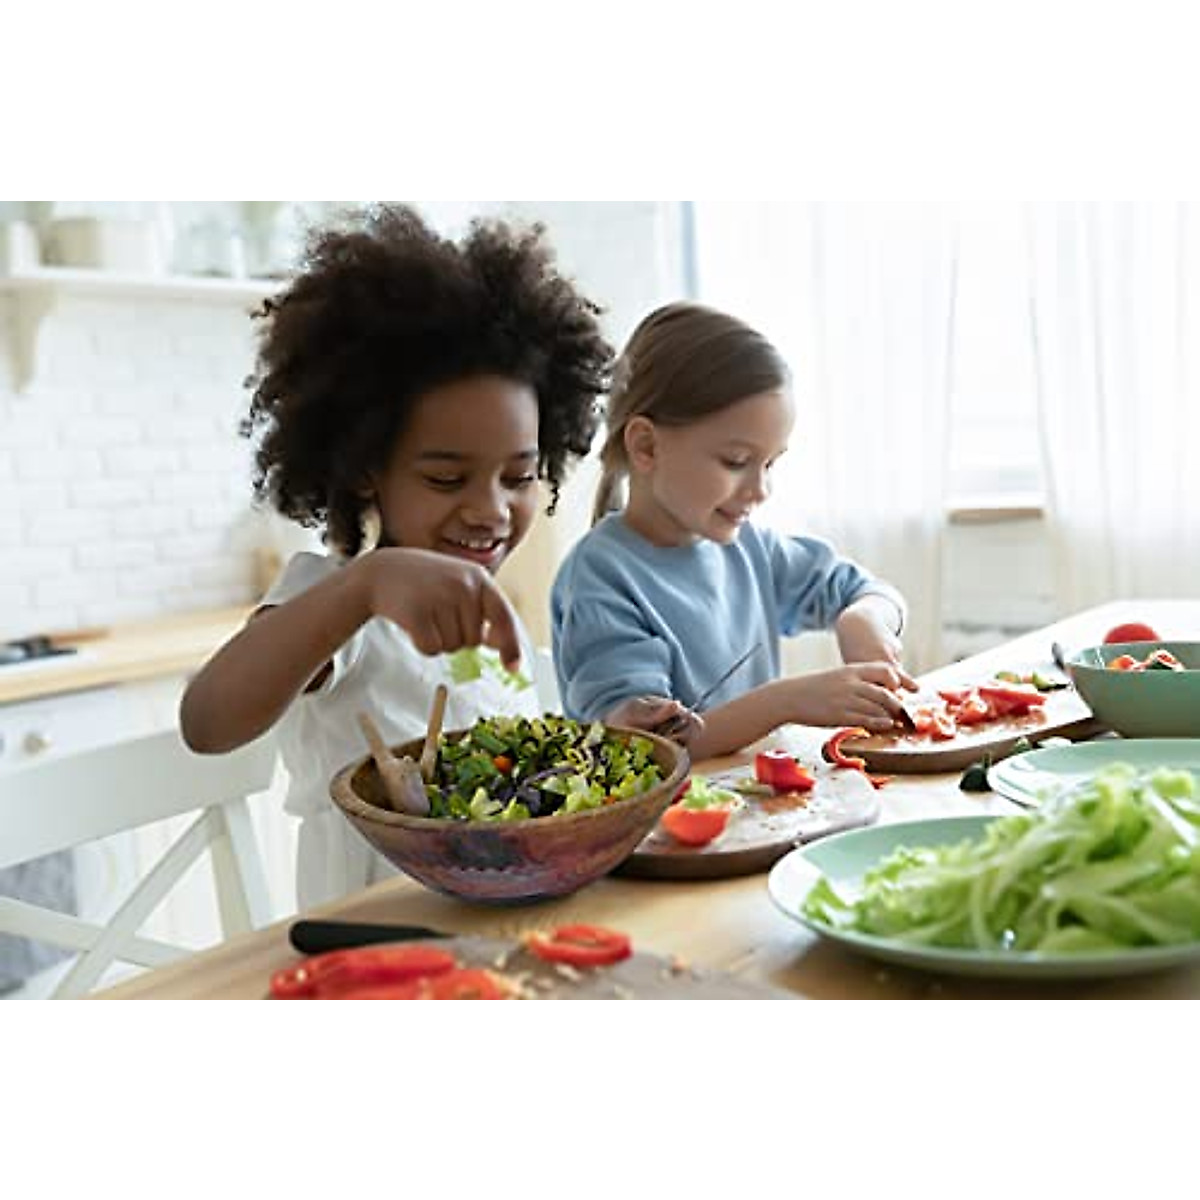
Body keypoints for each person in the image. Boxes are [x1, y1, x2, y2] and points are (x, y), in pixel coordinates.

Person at [180, 203, 668, 909]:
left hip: (502, 926)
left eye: (519, 476)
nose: (491, 510)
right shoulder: (334, 600)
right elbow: (207, 722)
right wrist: (366, 587)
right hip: (375, 947)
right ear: (362, 467)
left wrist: (602, 742)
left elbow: (505, 772)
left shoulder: (488, 612)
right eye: (446, 478)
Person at [551, 301, 917, 762]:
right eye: (736, 462)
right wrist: (788, 701)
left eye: (769, 464)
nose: (761, 489)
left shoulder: (750, 548)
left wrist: (862, 617)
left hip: (761, 809)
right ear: (646, 446)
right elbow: (646, 748)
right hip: (663, 828)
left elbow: (872, 592)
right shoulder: (601, 577)